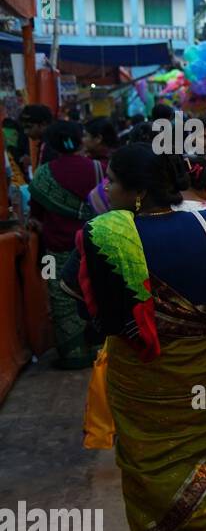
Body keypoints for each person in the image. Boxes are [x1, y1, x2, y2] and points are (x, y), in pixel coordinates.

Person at [58, 143, 206, 531]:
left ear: (139, 191)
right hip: (205, 368)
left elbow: (81, 304)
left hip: (141, 377)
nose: (108, 189)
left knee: (149, 462)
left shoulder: (101, 236)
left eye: (114, 182)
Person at [27, 120, 102, 368]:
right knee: (95, 292)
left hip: (56, 249)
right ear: (80, 139)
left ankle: (73, 354)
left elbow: (35, 214)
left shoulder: (43, 175)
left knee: (60, 297)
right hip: (94, 245)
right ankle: (100, 347)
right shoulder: (97, 168)